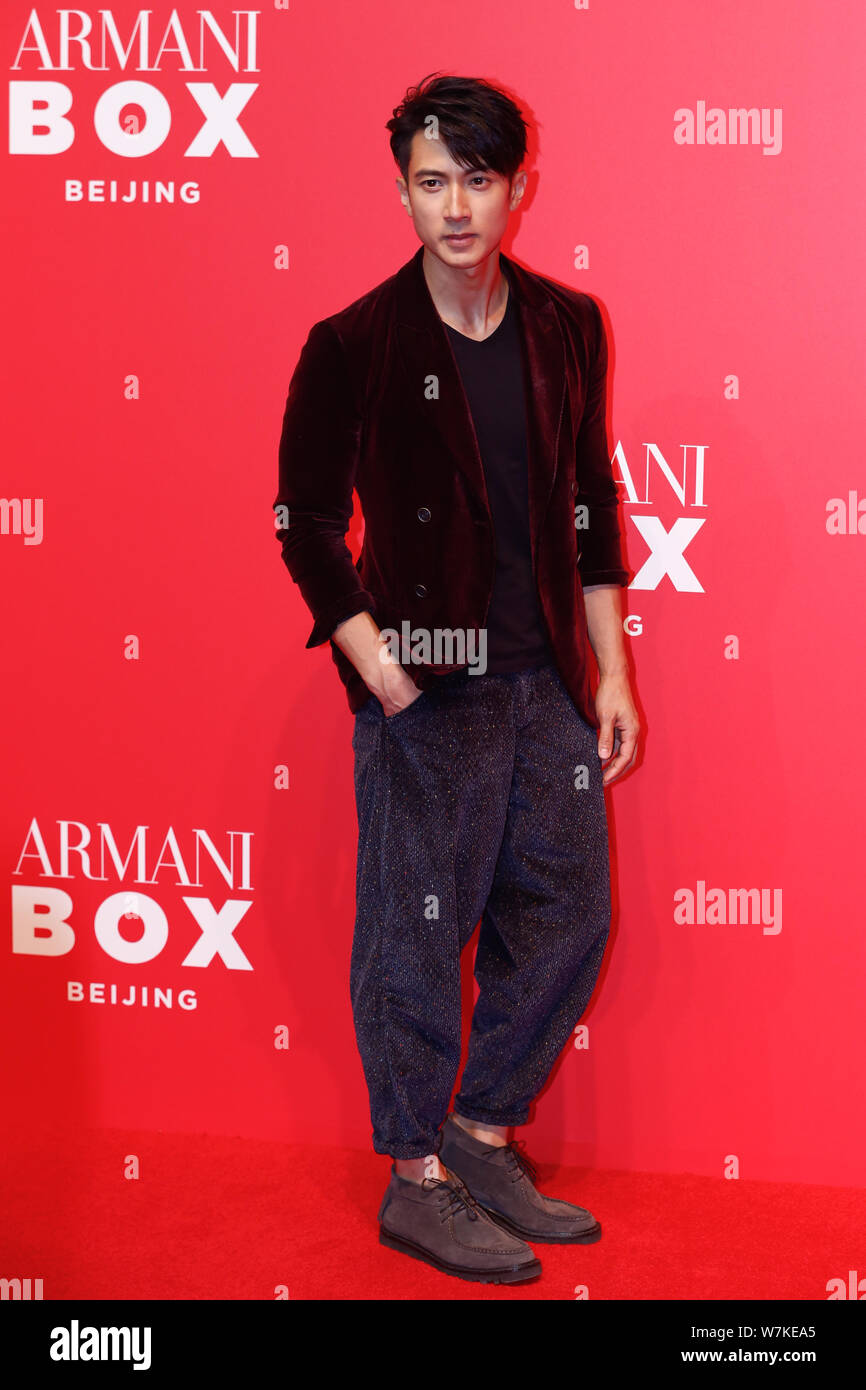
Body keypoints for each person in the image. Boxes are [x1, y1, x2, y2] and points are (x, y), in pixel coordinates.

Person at [273, 71, 640, 1285]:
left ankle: (480, 1135)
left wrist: (609, 670)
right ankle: (412, 1178)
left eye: (477, 180)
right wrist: (379, 666)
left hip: (542, 678)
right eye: (432, 182)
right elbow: (307, 523)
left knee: (571, 913)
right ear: (402, 192)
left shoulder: (564, 325)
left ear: (516, 189)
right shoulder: (352, 344)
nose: (455, 207)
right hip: (426, 684)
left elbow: (589, 502)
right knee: (415, 942)